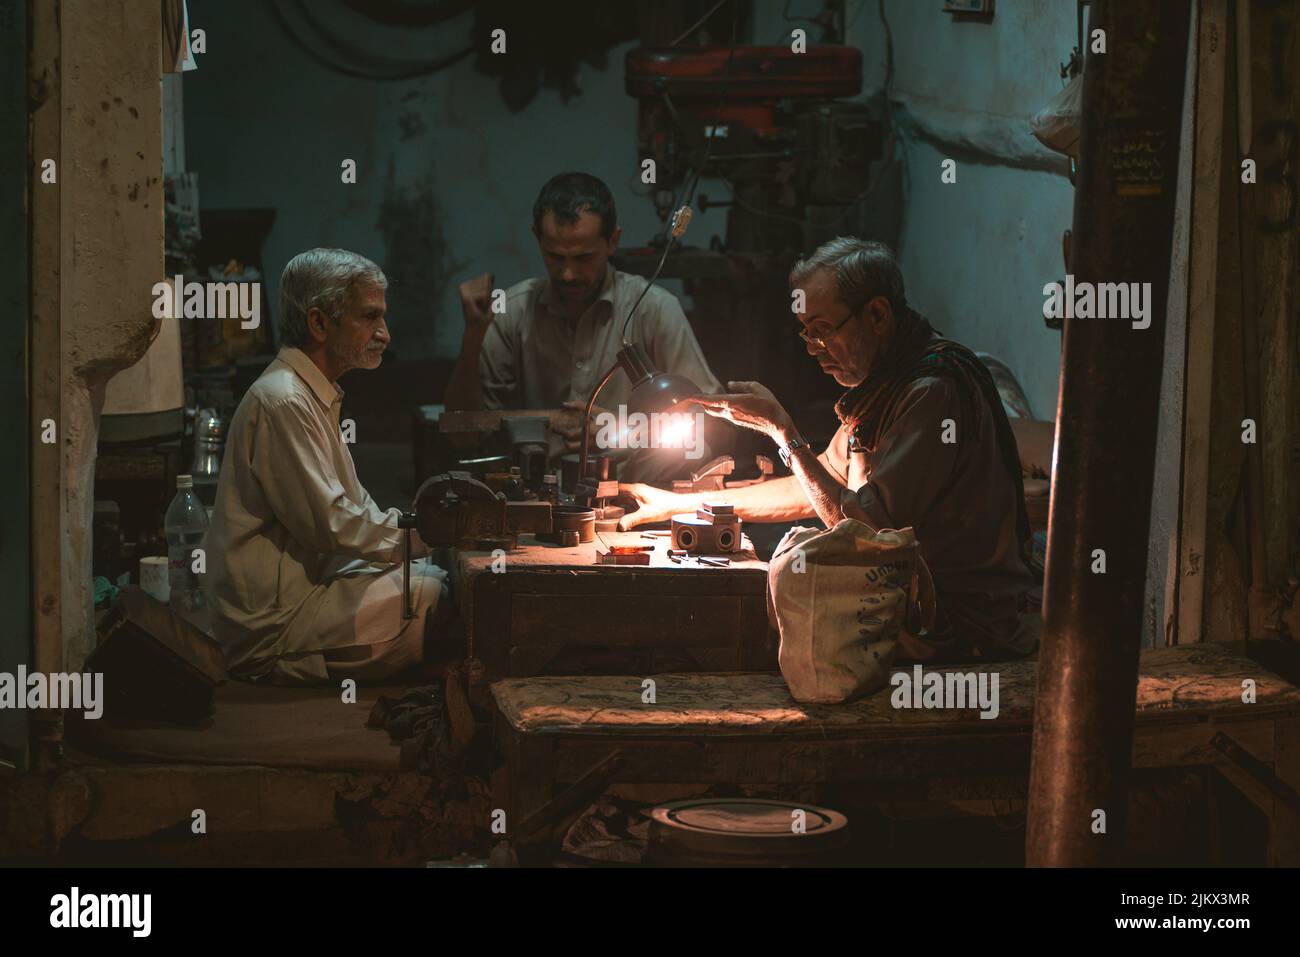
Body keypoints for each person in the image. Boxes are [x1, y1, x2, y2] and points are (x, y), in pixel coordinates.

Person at [620, 238, 1038, 661]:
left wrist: (782, 432)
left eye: (822, 331)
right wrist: (685, 503)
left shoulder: (931, 392)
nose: (812, 350)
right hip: (919, 616)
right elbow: (816, 484)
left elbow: (868, 532)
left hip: (967, 632)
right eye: (805, 333)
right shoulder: (883, 387)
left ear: (877, 315)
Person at [205, 248, 451, 685]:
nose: (384, 334)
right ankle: (273, 665)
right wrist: (423, 536)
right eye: (369, 317)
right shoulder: (283, 400)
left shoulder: (313, 393)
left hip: (311, 586)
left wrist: (415, 534)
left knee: (432, 575)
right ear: (319, 323)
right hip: (275, 617)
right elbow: (331, 523)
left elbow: (354, 506)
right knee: (429, 595)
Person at [444, 171, 723, 483]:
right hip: (537, 486)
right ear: (537, 237)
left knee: (696, 449)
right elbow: (464, 434)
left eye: (583, 258)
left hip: (630, 485)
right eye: (555, 257)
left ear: (613, 241)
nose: (567, 274)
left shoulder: (653, 309)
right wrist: (472, 335)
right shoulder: (512, 311)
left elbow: (713, 419)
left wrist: (618, 429)